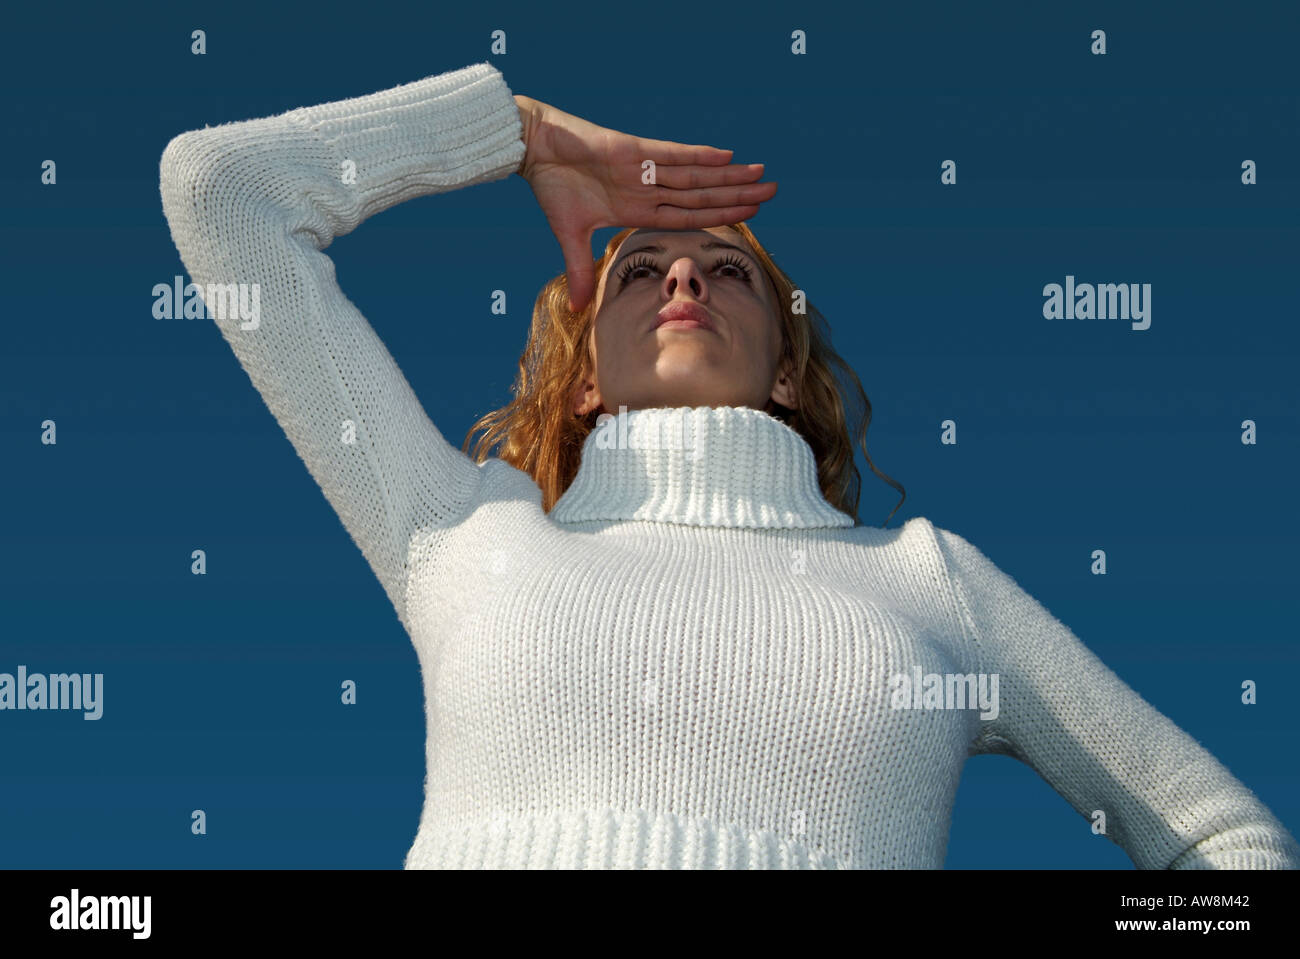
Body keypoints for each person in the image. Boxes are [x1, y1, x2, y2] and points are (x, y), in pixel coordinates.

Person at [159, 61, 1300, 869]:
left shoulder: (928, 580)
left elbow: (1220, 838)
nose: (684, 282)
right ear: (589, 376)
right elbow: (220, 190)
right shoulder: (463, 529)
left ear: (792, 375)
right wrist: (525, 135)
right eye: (640, 266)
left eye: (729, 272)